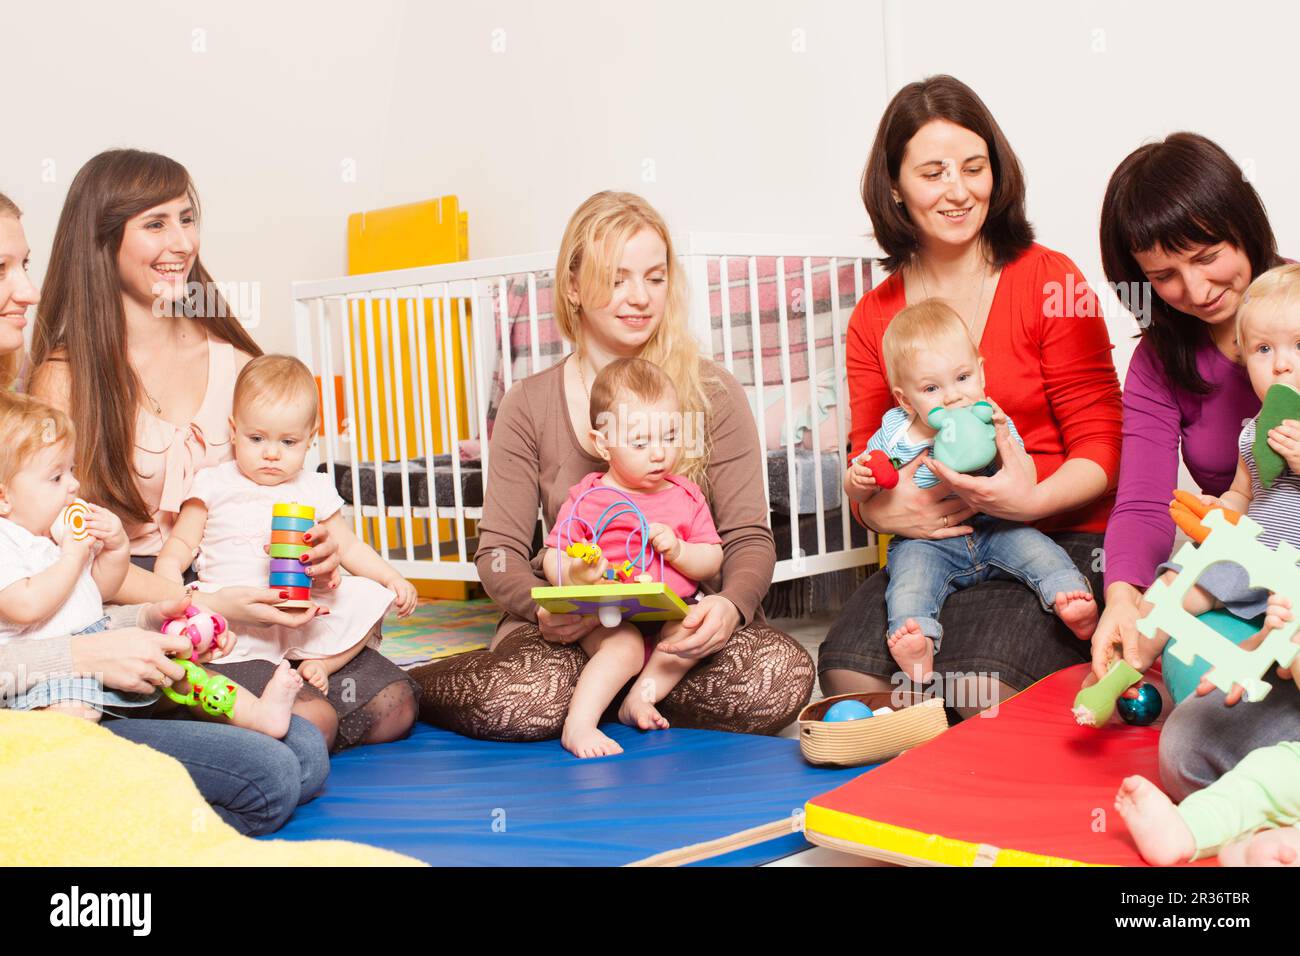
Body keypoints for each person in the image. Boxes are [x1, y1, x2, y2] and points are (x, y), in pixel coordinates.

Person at [27, 150, 416, 750]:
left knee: (395, 705)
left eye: (187, 218)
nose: (181, 240)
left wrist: (326, 552)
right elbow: (61, 552)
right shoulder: (66, 377)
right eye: (155, 223)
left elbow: (285, 477)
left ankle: (251, 714)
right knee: (312, 721)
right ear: (102, 239)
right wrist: (204, 602)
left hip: (247, 577)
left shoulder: (232, 358)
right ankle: (184, 715)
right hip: (139, 595)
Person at [413, 191, 814, 739]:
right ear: (573, 286)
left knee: (780, 676)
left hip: (679, 630)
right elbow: (500, 553)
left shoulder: (712, 390)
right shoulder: (529, 402)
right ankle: (417, 686)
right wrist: (540, 610)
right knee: (517, 700)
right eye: (617, 277)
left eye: (654, 277)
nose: (639, 297)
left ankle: (629, 696)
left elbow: (748, 537)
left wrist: (729, 608)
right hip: (575, 632)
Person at [0, 189, 326, 834]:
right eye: (0, 271)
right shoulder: (56, 388)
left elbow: (65, 587)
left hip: (73, 666)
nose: (29, 292)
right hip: (40, 694)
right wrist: (80, 660)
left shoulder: (16, 421)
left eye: (24, 265)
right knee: (270, 778)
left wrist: (148, 617)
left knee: (304, 753)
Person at [820, 75, 1122, 713]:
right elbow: (870, 458)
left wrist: (1029, 497)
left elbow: (1102, 445)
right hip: (932, 544)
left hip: (1054, 533)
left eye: (974, 168)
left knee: (977, 688)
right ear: (895, 187)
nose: (958, 190)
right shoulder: (875, 317)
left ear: (997, 171)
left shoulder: (1049, 280)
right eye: (932, 173)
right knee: (850, 675)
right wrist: (882, 513)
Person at [1102, 264, 1300, 867]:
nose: (1282, 365)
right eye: (1264, 350)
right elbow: (1243, 496)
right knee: (1194, 567)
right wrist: (1221, 514)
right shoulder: (1251, 436)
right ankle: (1140, 641)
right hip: (1262, 563)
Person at [846, 299, 1096, 682]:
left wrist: (1007, 453)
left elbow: (1024, 473)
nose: (952, 396)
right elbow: (867, 473)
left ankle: (1069, 599)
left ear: (980, 372)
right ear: (904, 398)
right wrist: (859, 481)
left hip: (994, 524)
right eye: (931, 387)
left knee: (1040, 551)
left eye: (962, 378)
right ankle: (918, 641)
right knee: (909, 582)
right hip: (925, 541)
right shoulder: (897, 429)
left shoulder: (991, 417)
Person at [156, 354, 419, 714]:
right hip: (234, 610)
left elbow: (349, 545)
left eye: (288, 442)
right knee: (202, 635)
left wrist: (391, 577)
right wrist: (168, 576)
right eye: (257, 438)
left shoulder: (313, 487)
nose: (271, 454)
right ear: (234, 430)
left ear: (310, 439)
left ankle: (325, 662)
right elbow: (182, 542)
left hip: (299, 608)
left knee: (370, 598)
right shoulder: (214, 483)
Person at [540, 358, 724, 757]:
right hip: (607, 613)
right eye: (641, 443)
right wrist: (575, 573)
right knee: (622, 648)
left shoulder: (686, 495)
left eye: (671, 436)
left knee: (691, 631)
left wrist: (680, 550)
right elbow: (552, 555)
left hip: (668, 610)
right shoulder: (589, 497)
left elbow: (712, 560)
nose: (659, 454)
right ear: (602, 443)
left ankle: (640, 697)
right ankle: (579, 725)